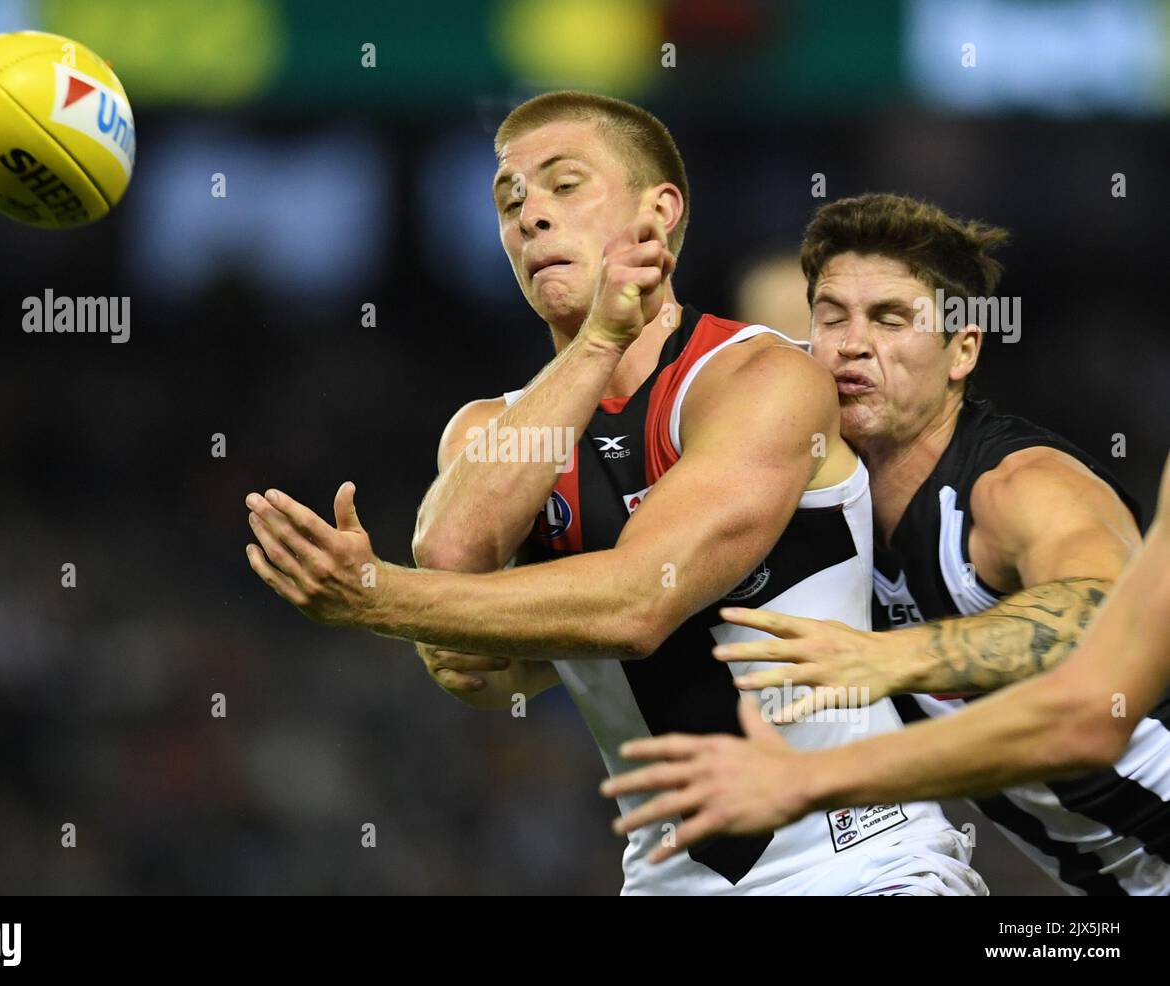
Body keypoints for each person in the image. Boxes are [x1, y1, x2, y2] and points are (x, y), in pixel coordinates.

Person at [244, 95, 984, 894]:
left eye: (565, 186)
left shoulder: (763, 380)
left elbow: (637, 605)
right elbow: (456, 573)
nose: (530, 217)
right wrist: (481, 650)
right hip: (666, 881)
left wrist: (375, 597)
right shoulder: (486, 430)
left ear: (658, 212)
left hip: (861, 864)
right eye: (509, 201)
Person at [606, 194, 1169, 895]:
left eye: (891, 319)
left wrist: (886, 657)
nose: (851, 343)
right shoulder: (810, 503)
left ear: (963, 348)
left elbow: (1104, 618)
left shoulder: (1020, 486)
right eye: (831, 316)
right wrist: (515, 655)